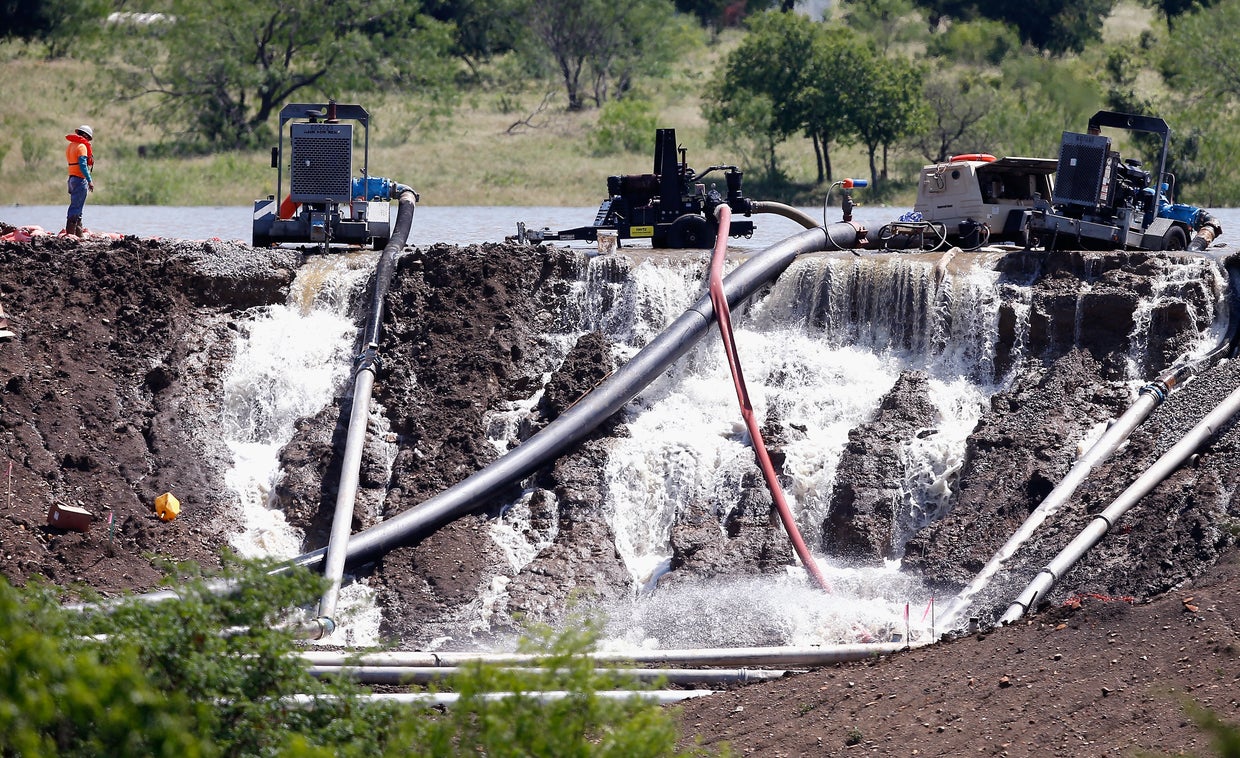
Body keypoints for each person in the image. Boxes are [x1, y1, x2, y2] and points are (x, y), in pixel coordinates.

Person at [65, 124, 94, 237]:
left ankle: (79, 235)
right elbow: (83, 165)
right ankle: (71, 235)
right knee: (76, 208)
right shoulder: (82, 147)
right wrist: (89, 180)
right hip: (79, 180)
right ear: (86, 135)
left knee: (78, 207)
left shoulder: (70, 146)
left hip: (71, 179)